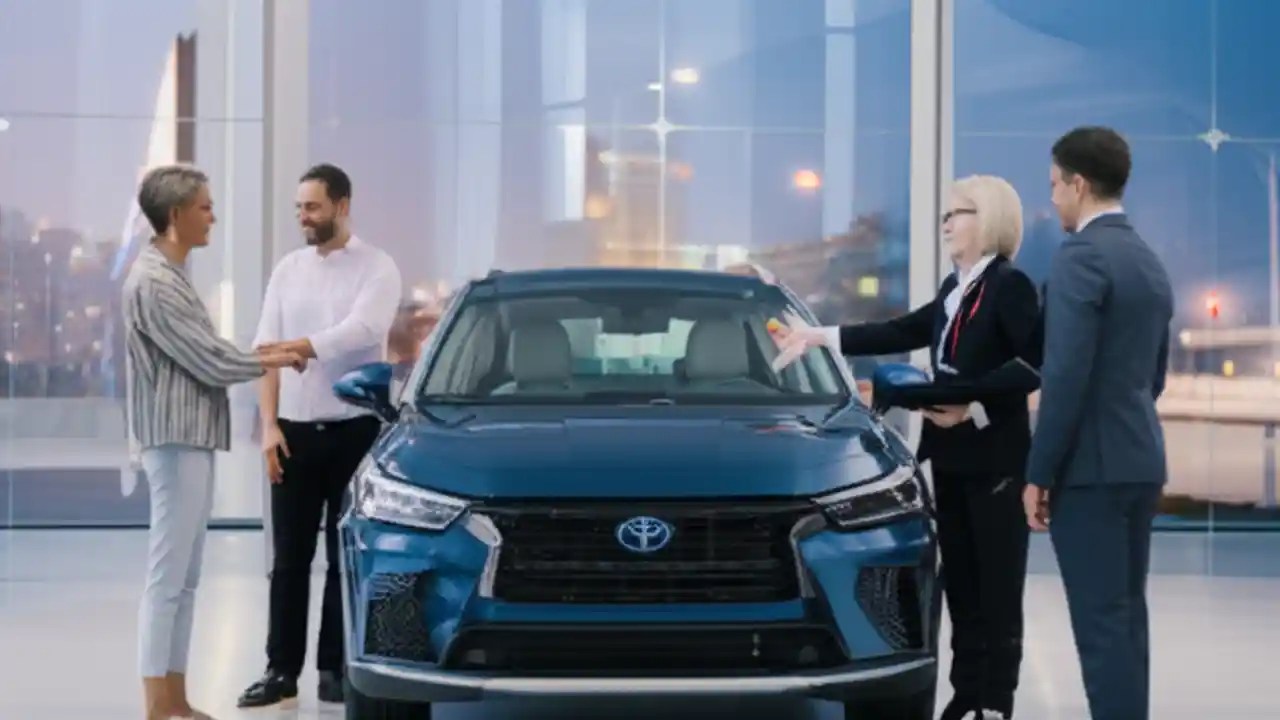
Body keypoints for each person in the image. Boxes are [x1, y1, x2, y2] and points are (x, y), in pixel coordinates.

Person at [775, 175, 1041, 719]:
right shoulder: (955, 289)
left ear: (989, 219)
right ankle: (966, 697)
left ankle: (995, 704)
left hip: (995, 461)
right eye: (945, 215)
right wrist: (818, 337)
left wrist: (974, 405)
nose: (946, 223)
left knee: (996, 591)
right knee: (961, 588)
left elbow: (1032, 366)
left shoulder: (1009, 286)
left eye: (957, 213)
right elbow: (899, 331)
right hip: (950, 457)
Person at [123, 164, 305, 720]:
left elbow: (207, 352)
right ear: (175, 214)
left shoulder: (170, 275)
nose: (213, 217)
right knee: (167, 578)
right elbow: (208, 359)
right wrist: (273, 358)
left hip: (190, 438)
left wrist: (268, 354)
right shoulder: (153, 282)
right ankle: (157, 704)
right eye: (204, 207)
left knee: (185, 579)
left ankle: (176, 698)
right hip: (174, 439)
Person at [237, 164, 402, 708]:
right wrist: (268, 426)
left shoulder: (377, 267)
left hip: (356, 430)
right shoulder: (288, 270)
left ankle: (335, 670)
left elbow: (364, 330)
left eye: (312, 207)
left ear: (342, 206)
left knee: (343, 556)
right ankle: (280, 670)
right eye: (299, 209)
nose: (303, 218)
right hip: (293, 432)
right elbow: (266, 351)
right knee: (288, 558)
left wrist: (301, 347)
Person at [1023, 126, 1173, 720]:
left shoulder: (1081, 257)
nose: (1053, 198)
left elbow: (1064, 377)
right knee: (1126, 621)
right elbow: (1154, 376)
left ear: (1079, 184)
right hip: (1140, 459)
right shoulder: (1146, 258)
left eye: (1054, 185)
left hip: (1091, 471)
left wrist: (1039, 472)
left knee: (1100, 626)